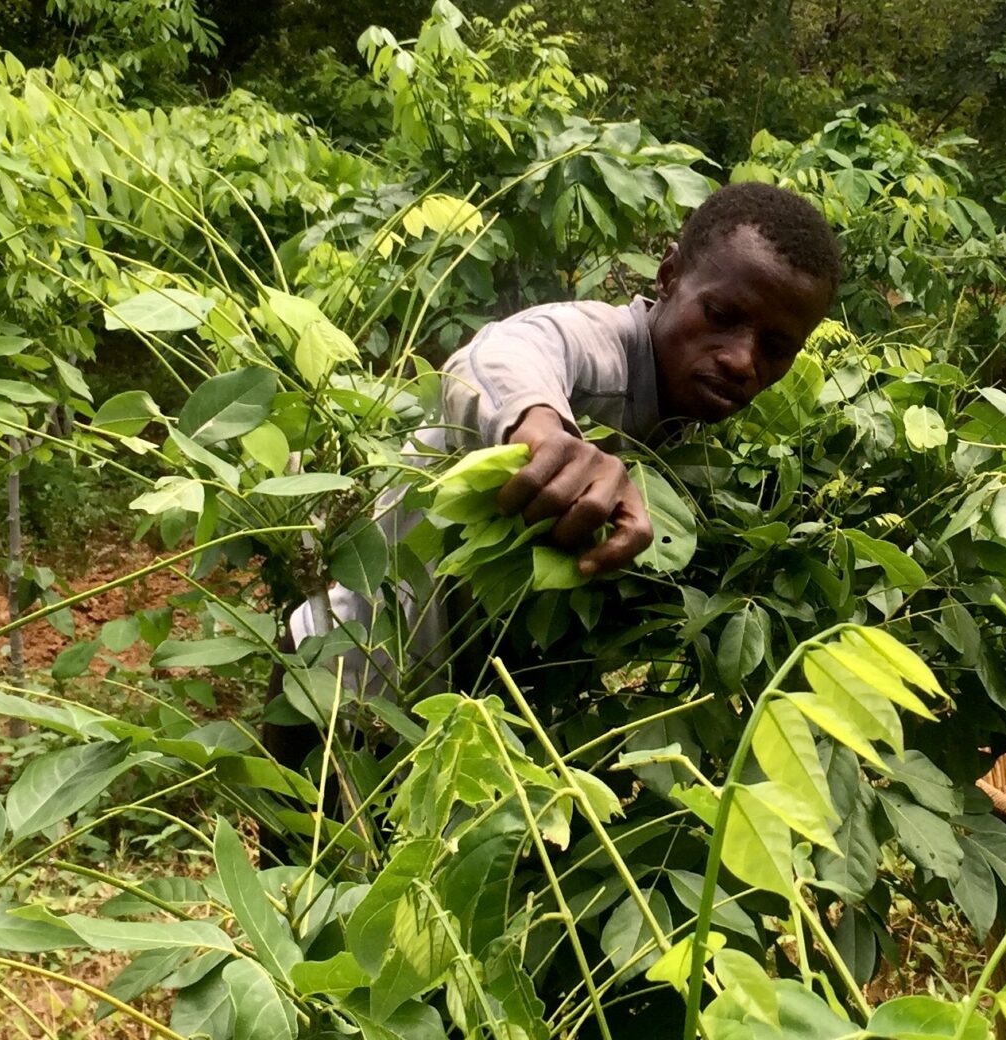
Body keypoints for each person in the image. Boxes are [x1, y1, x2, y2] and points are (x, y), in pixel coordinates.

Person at [277, 180, 840, 744]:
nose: (744, 360)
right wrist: (546, 433)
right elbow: (498, 353)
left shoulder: (688, 426)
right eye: (720, 314)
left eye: (776, 348)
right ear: (668, 276)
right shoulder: (596, 346)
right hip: (339, 687)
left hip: (453, 729)